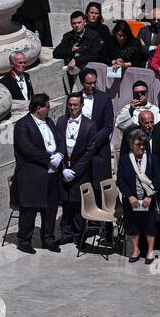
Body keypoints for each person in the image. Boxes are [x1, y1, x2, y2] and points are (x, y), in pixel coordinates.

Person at [12, 94, 63, 255]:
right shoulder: (23, 125)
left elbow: (59, 139)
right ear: (38, 108)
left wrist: (60, 153)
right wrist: (49, 158)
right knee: (30, 209)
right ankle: (24, 241)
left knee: (51, 209)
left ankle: (48, 239)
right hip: (32, 174)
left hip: (52, 173)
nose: (49, 109)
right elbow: (27, 149)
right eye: (47, 106)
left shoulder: (49, 122)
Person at [54, 93, 98, 245]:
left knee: (78, 204)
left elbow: (90, 151)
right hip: (64, 169)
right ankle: (66, 233)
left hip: (80, 172)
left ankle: (79, 235)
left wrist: (75, 171)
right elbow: (57, 145)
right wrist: (63, 168)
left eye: (75, 105)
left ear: (81, 106)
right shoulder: (61, 121)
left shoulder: (90, 125)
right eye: (70, 105)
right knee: (66, 204)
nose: (72, 108)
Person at [117, 129, 160, 263]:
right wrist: (130, 196)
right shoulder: (124, 160)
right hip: (132, 200)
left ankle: (150, 251)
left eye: (143, 144)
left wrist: (150, 196)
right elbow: (121, 180)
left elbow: (157, 179)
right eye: (138, 144)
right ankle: (136, 250)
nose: (141, 147)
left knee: (150, 225)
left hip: (148, 199)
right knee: (132, 225)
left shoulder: (152, 159)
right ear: (131, 146)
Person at [52, 10, 103, 87]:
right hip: (72, 73)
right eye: (74, 23)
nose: (77, 25)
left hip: (89, 72)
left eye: (79, 22)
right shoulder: (68, 36)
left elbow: (94, 55)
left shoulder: (93, 36)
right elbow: (56, 53)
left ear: (84, 22)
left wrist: (76, 60)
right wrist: (71, 50)